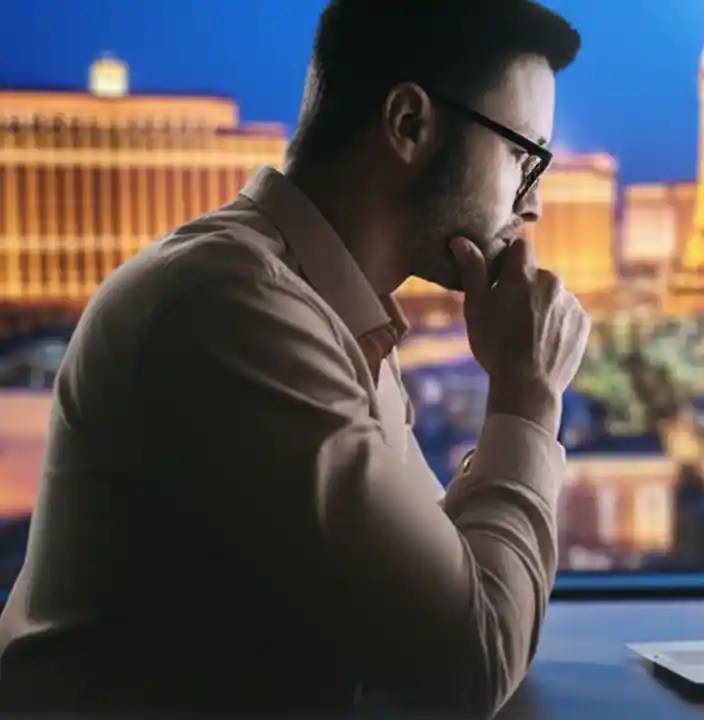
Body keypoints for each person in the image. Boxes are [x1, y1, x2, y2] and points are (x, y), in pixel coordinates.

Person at [0, 0, 589, 715]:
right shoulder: (232, 311)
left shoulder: (329, 313)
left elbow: (436, 594)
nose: (531, 209)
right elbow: (468, 661)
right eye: (523, 159)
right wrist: (528, 396)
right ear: (409, 124)